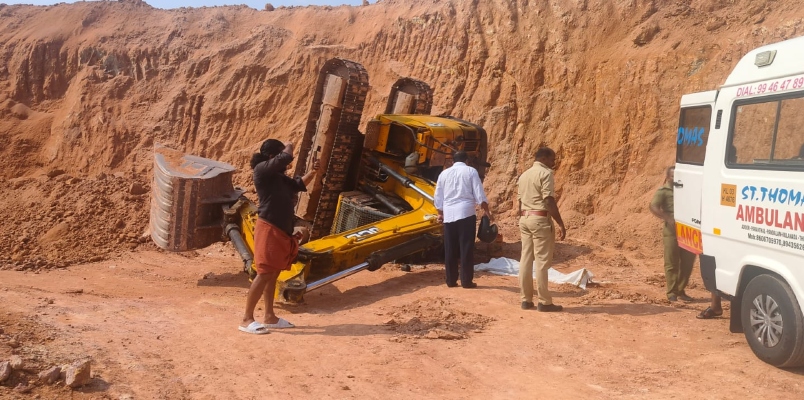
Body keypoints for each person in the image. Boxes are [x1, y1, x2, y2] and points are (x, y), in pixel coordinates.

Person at [239, 139, 317, 334]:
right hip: (268, 227)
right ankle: (246, 319)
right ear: (272, 156)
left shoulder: (279, 177)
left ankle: (269, 317)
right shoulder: (261, 170)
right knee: (264, 272)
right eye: (280, 155)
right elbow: (287, 156)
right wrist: (290, 144)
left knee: (273, 272)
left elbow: (298, 185)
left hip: (281, 229)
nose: (287, 163)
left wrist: (315, 172)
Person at [517, 147, 566, 312]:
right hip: (539, 219)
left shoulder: (524, 175)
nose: (554, 163)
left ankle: (526, 299)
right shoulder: (546, 174)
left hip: (524, 218)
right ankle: (544, 302)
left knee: (525, 259)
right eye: (552, 159)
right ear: (544, 158)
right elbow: (549, 200)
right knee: (541, 262)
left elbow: (519, 203)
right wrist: (560, 223)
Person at [434, 150, 491, 289]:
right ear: (466, 161)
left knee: (450, 248)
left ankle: (450, 280)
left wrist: (440, 213)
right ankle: (466, 281)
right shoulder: (471, 171)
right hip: (466, 213)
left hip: (449, 215)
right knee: (466, 248)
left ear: (453, 161)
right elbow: (479, 194)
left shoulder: (444, 174)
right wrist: (487, 211)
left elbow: (438, 197)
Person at [649, 166, 695, 302]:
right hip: (672, 231)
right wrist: (667, 218)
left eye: (678, 176)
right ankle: (671, 292)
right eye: (673, 176)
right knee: (671, 262)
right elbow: (653, 206)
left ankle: (681, 290)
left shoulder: (687, 190)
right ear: (668, 177)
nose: (676, 179)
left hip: (688, 230)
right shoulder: (663, 191)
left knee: (688, 262)